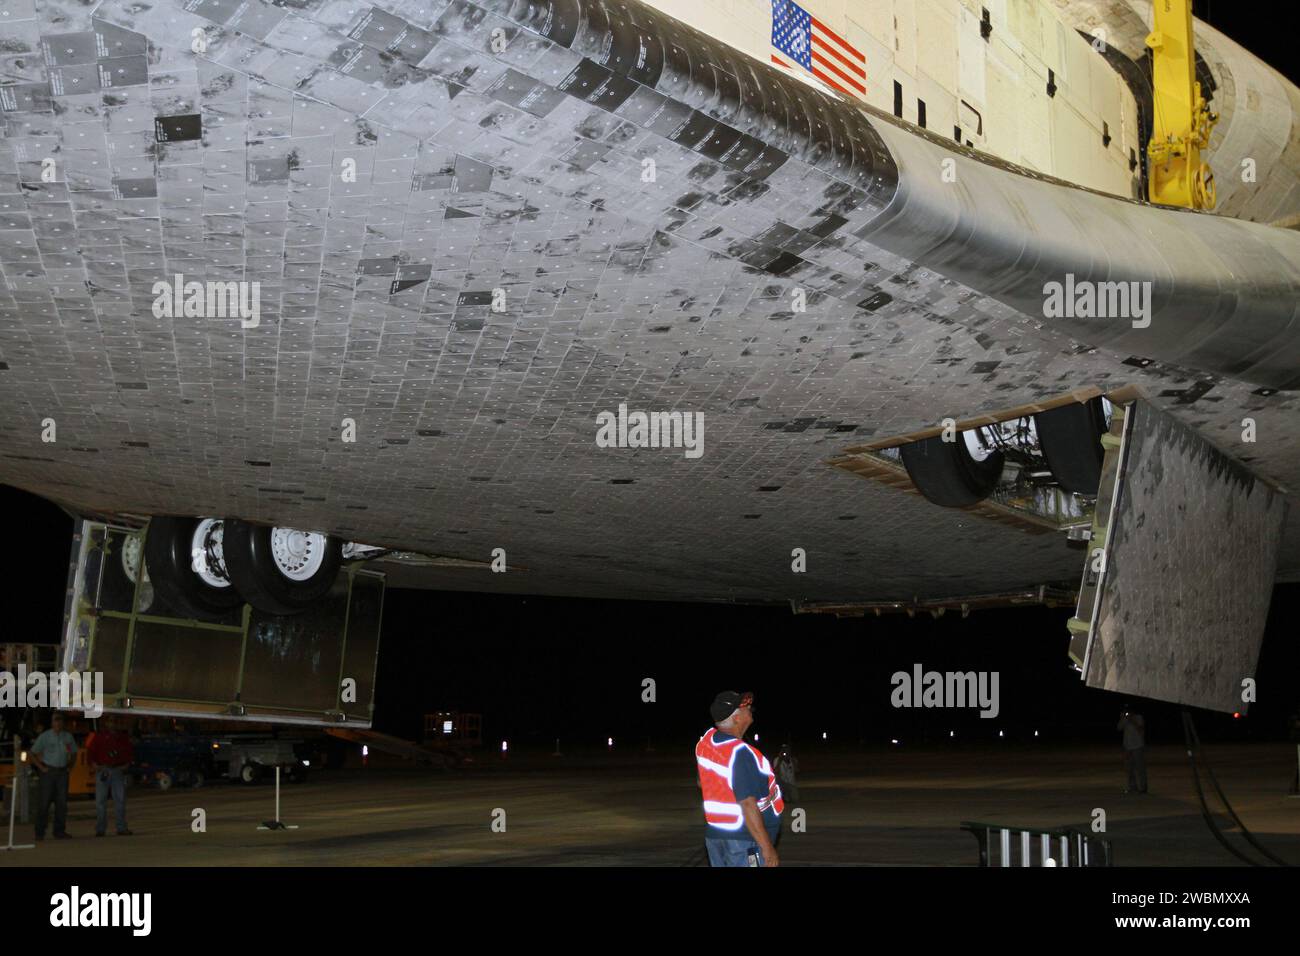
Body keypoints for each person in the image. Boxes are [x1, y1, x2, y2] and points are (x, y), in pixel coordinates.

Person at [695, 691, 783, 867]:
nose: (749, 708)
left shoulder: (707, 743)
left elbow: (701, 781)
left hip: (717, 837)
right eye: (744, 707)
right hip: (743, 842)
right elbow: (748, 804)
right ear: (736, 718)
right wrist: (766, 848)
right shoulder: (741, 753)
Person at [30, 712, 77, 840]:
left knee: (62, 803)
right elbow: (32, 753)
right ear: (51, 722)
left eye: (60, 720)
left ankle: (59, 831)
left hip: (62, 773)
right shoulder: (45, 736)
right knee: (44, 803)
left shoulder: (67, 737)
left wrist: (70, 767)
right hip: (48, 773)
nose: (58, 722)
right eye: (55, 720)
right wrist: (41, 767)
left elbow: (74, 752)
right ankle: (40, 832)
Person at [88, 716, 134, 837]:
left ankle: (121, 827)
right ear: (106, 723)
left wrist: (126, 765)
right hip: (103, 769)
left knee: (120, 800)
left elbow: (129, 752)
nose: (112, 724)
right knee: (101, 801)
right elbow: (91, 752)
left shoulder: (122, 738)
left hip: (117, 770)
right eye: (110, 721)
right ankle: (101, 828)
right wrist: (95, 765)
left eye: (114, 721)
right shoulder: (99, 737)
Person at [1117, 706, 1147, 793]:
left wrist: (1131, 719)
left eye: (1128, 711)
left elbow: (1140, 728)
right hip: (1127, 747)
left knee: (1140, 768)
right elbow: (1119, 728)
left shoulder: (1138, 717)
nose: (1127, 713)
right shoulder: (1124, 719)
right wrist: (1123, 718)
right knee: (1129, 768)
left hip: (1137, 746)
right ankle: (1132, 787)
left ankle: (1143, 787)